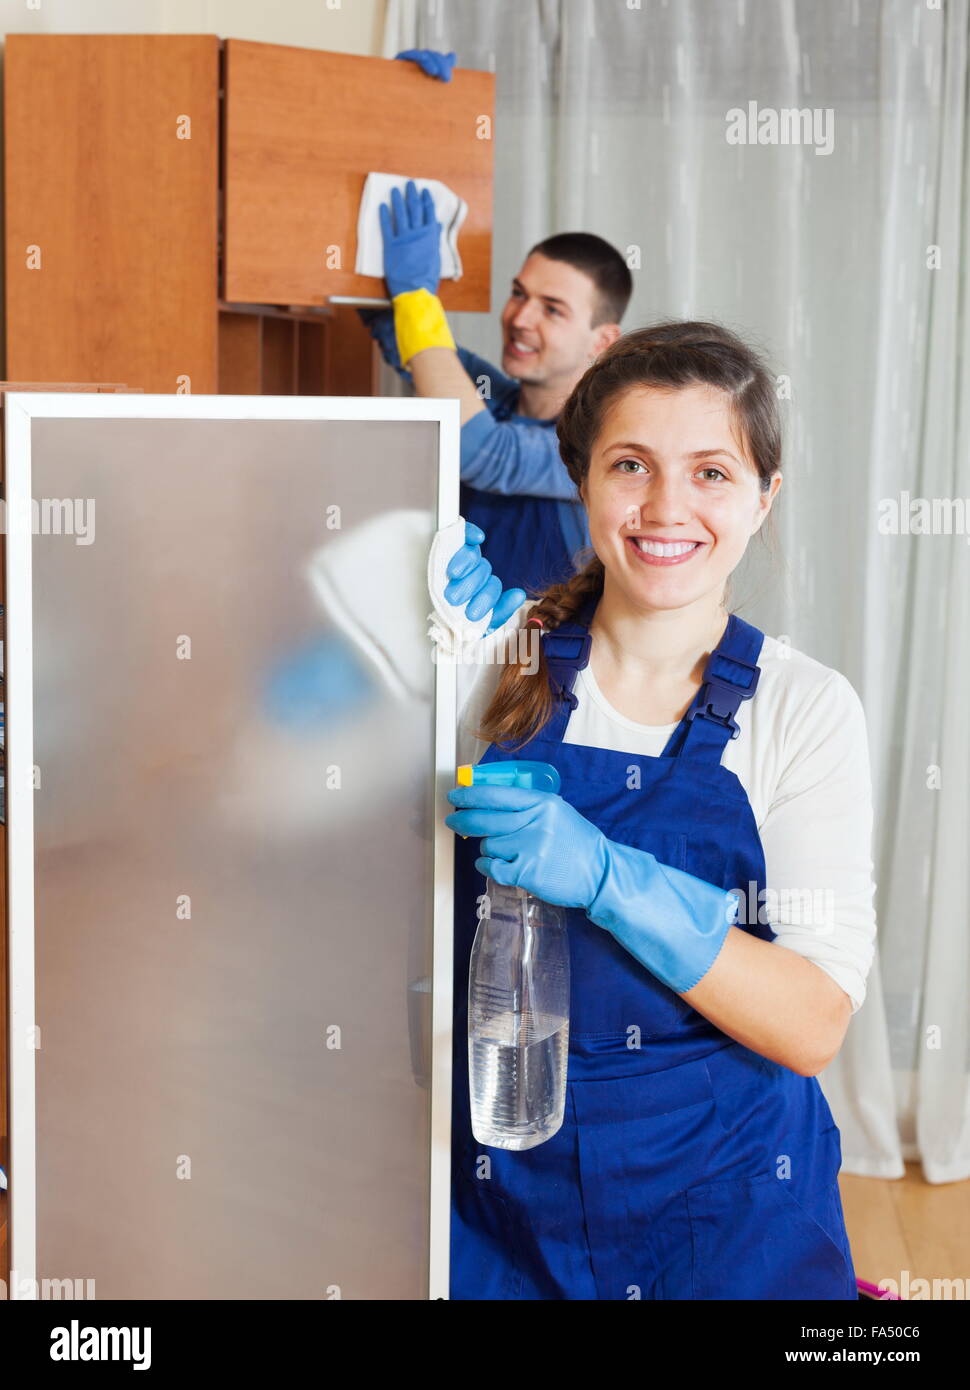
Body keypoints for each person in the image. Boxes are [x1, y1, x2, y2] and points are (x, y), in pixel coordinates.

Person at [434, 319, 877, 1300]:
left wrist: (603, 874)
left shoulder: (802, 708)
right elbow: (279, 764)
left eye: (711, 472)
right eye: (629, 465)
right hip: (507, 1201)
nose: (666, 506)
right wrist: (389, 597)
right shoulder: (493, 659)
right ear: (581, 480)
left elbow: (810, 1024)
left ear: (765, 496)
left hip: (728, 1214)